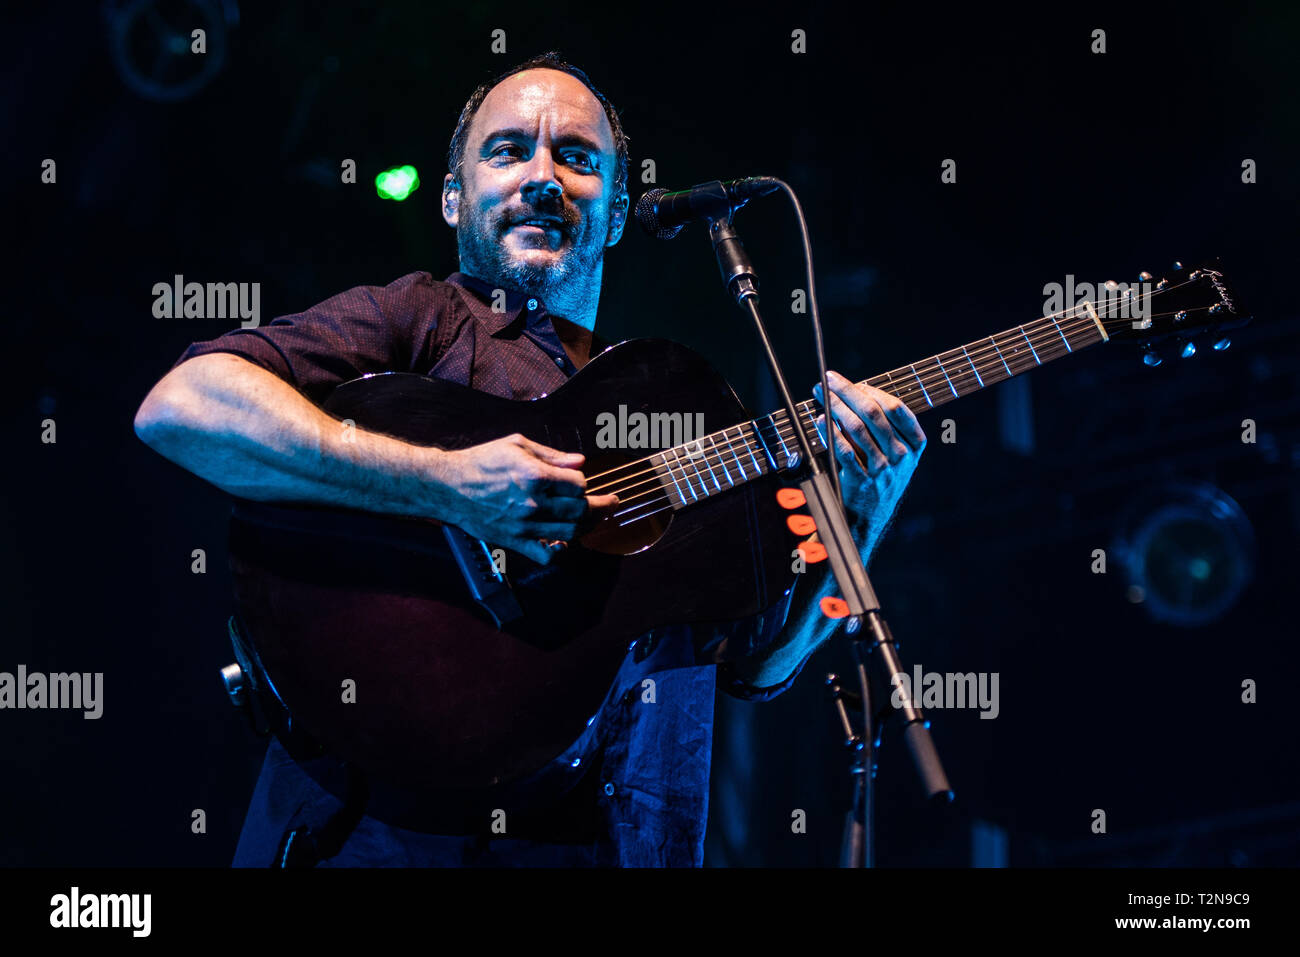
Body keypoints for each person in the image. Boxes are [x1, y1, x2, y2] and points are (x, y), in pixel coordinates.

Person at [133, 52, 927, 867]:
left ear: (617, 212)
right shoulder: (425, 318)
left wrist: (860, 516)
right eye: (509, 151)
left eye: (577, 159)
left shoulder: (667, 402)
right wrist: (446, 484)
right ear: (452, 198)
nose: (543, 177)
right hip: (385, 839)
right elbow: (183, 406)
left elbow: (761, 668)